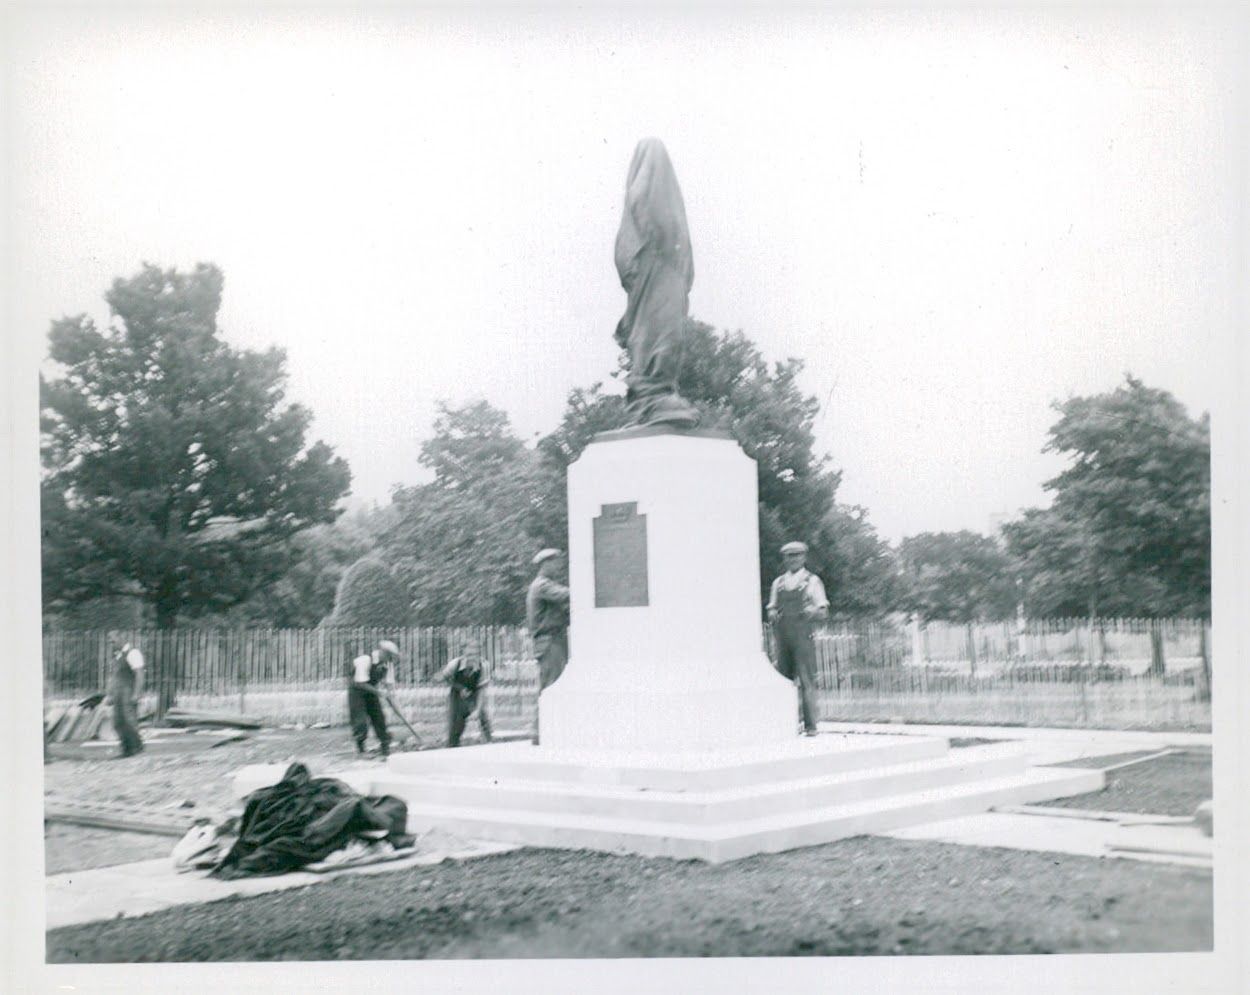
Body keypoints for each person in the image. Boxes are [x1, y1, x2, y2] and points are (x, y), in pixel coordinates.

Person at [613, 138, 701, 429]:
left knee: (670, 334)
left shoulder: (670, 225)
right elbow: (645, 204)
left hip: (667, 276)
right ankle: (652, 395)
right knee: (657, 335)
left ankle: (658, 394)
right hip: (654, 277)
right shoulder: (639, 222)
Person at [766, 542, 829, 737]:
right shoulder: (778, 583)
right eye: (788, 556)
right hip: (783, 636)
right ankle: (785, 723)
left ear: (804, 557)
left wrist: (813, 612)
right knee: (783, 680)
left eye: (796, 555)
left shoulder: (812, 581)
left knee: (807, 679)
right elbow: (771, 607)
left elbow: (823, 610)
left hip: (803, 636)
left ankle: (811, 726)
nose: (792, 559)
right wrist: (772, 613)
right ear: (784, 559)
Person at [526, 548, 570, 744]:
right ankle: (539, 733)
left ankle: (545, 731)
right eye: (556, 562)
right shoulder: (542, 585)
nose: (559, 566)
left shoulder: (545, 585)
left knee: (552, 685)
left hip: (554, 640)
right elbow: (566, 595)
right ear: (546, 564)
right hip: (549, 641)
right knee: (550, 686)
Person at [438, 638, 494, 748]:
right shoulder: (455, 664)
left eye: (475, 654)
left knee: (483, 717)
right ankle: (453, 746)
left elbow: (482, 689)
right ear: (464, 653)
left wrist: (477, 709)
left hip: (475, 693)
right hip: (457, 696)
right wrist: (459, 688)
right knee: (456, 723)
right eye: (469, 654)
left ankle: (489, 744)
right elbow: (442, 677)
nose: (471, 657)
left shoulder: (484, 665)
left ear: (479, 653)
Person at [348, 639, 399, 758]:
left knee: (379, 718)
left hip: (371, 691)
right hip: (357, 691)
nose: (391, 659)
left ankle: (385, 747)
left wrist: (393, 699)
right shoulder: (365, 660)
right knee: (360, 720)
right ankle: (361, 750)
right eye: (389, 656)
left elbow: (390, 685)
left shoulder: (387, 664)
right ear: (383, 652)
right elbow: (360, 682)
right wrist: (380, 693)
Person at [107, 639, 145, 758]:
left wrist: (137, 693)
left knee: (129, 720)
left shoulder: (133, 653)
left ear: (121, 637)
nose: (111, 644)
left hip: (128, 692)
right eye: (110, 642)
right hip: (118, 693)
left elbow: (140, 674)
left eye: (113, 641)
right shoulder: (117, 656)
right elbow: (114, 677)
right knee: (118, 722)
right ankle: (126, 748)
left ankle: (136, 747)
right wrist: (110, 694)